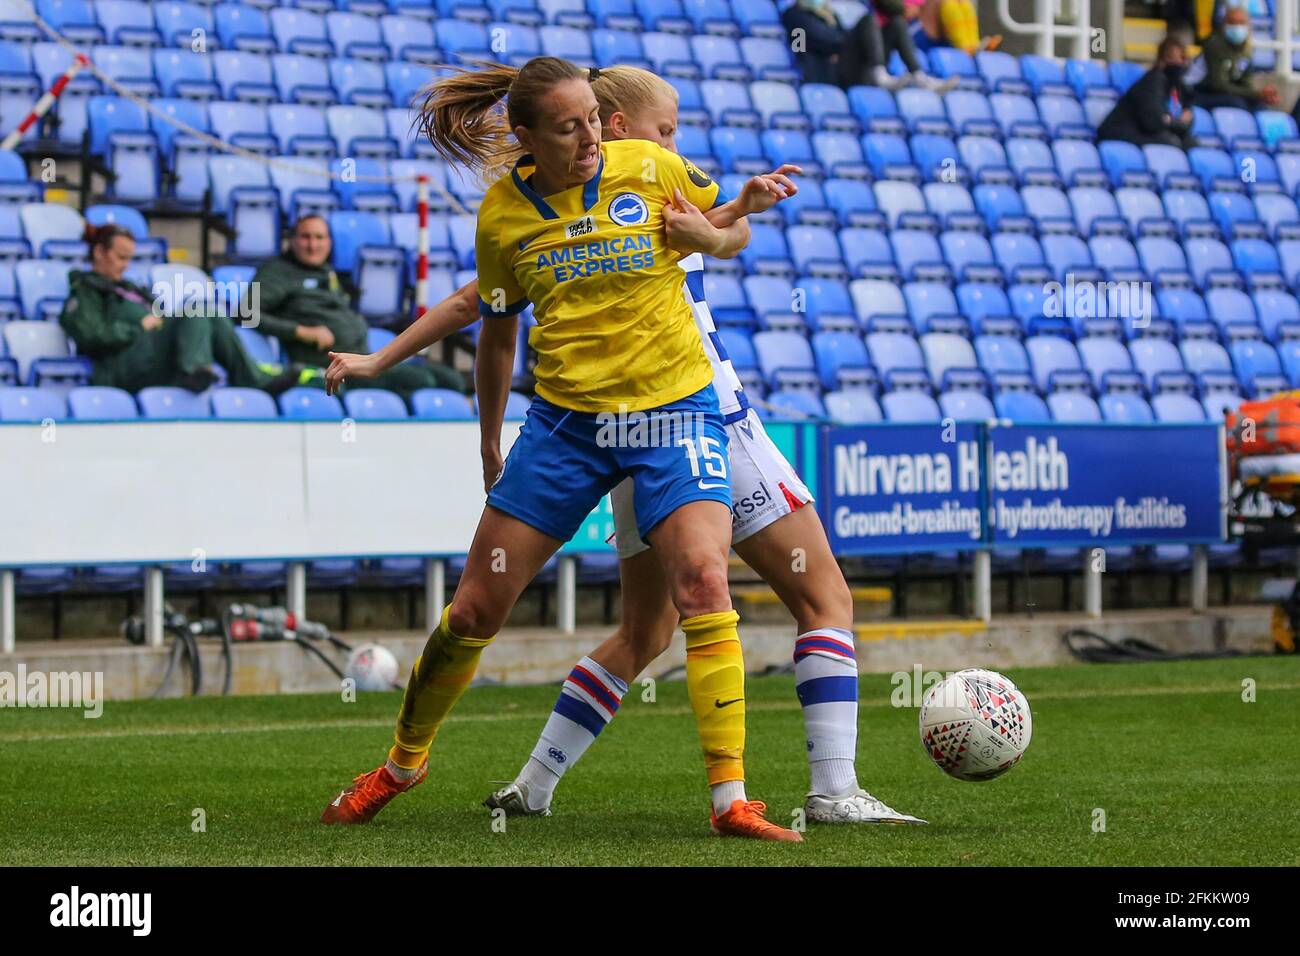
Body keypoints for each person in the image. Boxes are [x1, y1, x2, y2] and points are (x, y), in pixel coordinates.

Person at [319, 57, 805, 840]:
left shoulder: (648, 164)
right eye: (570, 126)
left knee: (704, 579)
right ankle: (402, 764)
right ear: (528, 136)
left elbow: (734, 224)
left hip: (676, 414)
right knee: (475, 608)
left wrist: (722, 228)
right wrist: (487, 438)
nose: (590, 139)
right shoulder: (503, 218)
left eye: (593, 119)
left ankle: (730, 800)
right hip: (568, 426)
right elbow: (496, 327)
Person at [480, 66, 925, 827]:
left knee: (646, 629)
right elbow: (484, 303)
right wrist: (715, 233)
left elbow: (731, 226)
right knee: (823, 596)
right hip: (703, 420)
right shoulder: (638, 184)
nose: (675, 146)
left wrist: (717, 230)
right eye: (665, 130)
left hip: (616, 429)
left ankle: (534, 783)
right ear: (615, 127)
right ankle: (833, 790)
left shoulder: (612, 195)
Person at [60, 223, 304, 395]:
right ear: (99, 252)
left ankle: (249, 378)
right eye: (121, 257)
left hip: (151, 358)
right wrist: (137, 326)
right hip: (119, 368)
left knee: (209, 311)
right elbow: (91, 335)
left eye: (129, 259)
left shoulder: (131, 288)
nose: (126, 265)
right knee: (196, 309)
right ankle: (194, 369)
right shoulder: (85, 292)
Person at [250, 215, 465, 403]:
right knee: (422, 381)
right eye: (306, 237)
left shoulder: (326, 271)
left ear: (329, 242)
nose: (313, 245)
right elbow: (247, 313)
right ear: (292, 241)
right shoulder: (278, 271)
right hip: (334, 371)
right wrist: (301, 331)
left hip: (363, 360)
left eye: (319, 238)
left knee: (451, 378)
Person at [781, 0, 954, 91]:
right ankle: (878, 71)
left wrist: (848, 41)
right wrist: (852, 41)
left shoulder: (830, 14)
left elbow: (836, 37)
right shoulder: (794, 14)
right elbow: (812, 40)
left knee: (897, 24)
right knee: (868, 21)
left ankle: (918, 75)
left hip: (854, 67)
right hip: (831, 72)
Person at [1097, 36, 1196, 149]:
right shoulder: (1153, 81)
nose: (1183, 62)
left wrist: (1171, 121)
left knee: (1191, 143)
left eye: (1185, 58)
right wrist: (1177, 122)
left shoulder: (1179, 86)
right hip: (1120, 134)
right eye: (1179, 58)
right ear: (1162, 60)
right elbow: (1153, 122)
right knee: (1171, 142)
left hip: (1144, 132)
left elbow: (1188, 121)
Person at [1190, 3, 1279, 111]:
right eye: (1232, 22)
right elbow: (1218, 85)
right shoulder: (1214, 45)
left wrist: (1261, 96)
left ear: (1248, 26)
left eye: (1241, 23)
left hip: (1225, 93)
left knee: (1259, 106)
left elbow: (1246, 84)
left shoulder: (1246, 49)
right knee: (1237, 104)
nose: (1237, 27)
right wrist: (1257, 94)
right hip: (1199, 93)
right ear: (1224, 25)